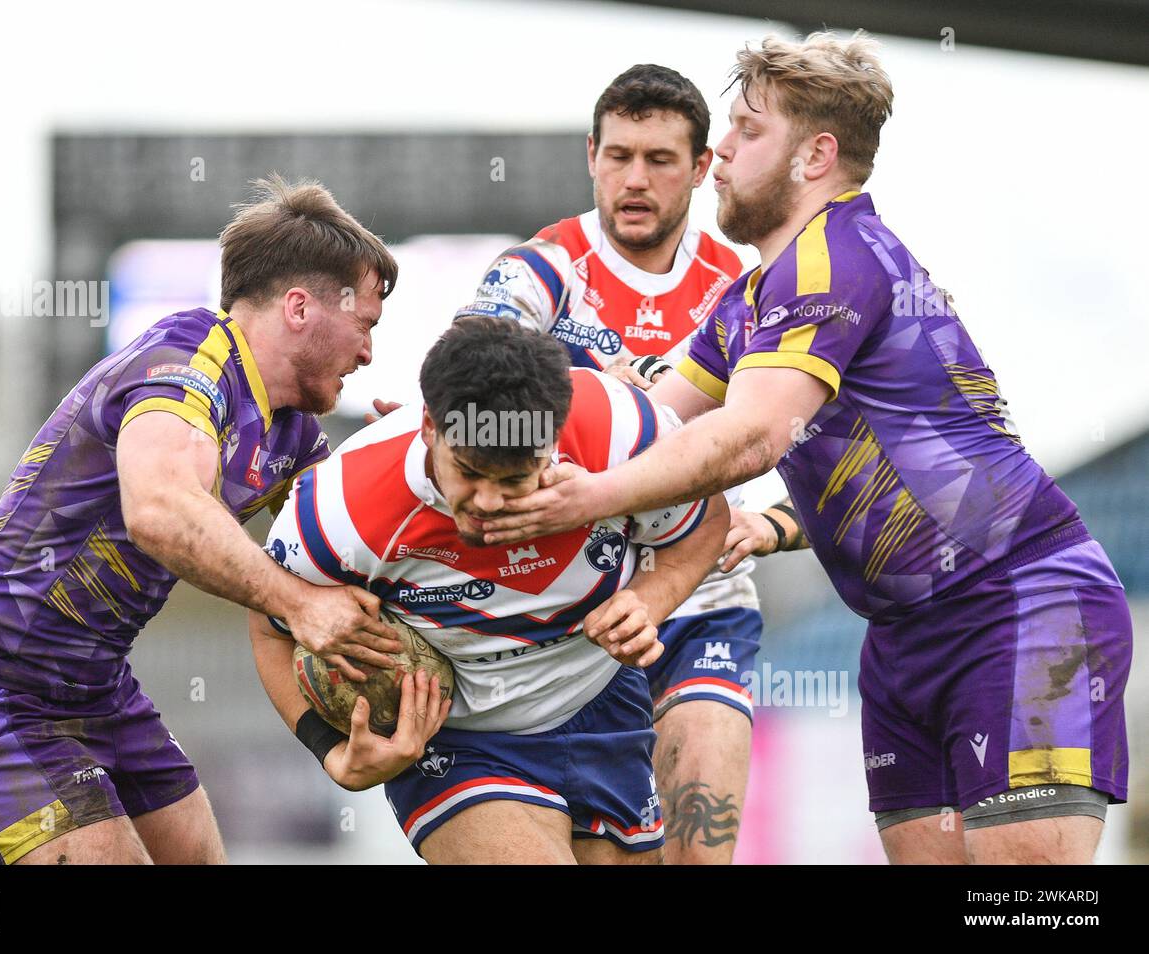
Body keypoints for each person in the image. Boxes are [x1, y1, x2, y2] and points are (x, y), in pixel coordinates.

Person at [478, 32, 1132, 865]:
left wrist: (588, 499)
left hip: (1016, 605)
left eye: (748, 132)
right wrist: (472, 426)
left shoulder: (834, 256)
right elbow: (641, 421)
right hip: (900, 636)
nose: (719, 156)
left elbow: (751, 436)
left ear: (816, 155)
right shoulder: (750, 298)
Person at [0, 176, 407, 865]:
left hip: (98, 692)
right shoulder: (187, 361)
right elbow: (161, 511)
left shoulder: (290, 433)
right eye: (367, 325)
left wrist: (419, 463)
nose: (369, 354)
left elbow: (335, 562)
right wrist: (300, 602)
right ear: (299, 308)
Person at [250, 318, 730, 864]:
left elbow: (704, 519)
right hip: (458, 740)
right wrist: (329, 748)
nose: (489, 503)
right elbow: (269, 624)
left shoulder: (625, 431)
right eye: (470, 472)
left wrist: (650, 597)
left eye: (513, 479)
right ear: (429, 426)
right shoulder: (338, 510)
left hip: (604, 702)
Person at [454, 64, 760, 863]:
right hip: (564, 603)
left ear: (699, 169)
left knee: (701, 849)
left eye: (660, 160)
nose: (634, 179)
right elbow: (469, 358)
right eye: (617, 155)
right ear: (591, 154)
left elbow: (802, 429)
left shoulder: (742, 290)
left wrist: (781, 521)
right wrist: (588, 389)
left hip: (698, 587)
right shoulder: (544, 265)